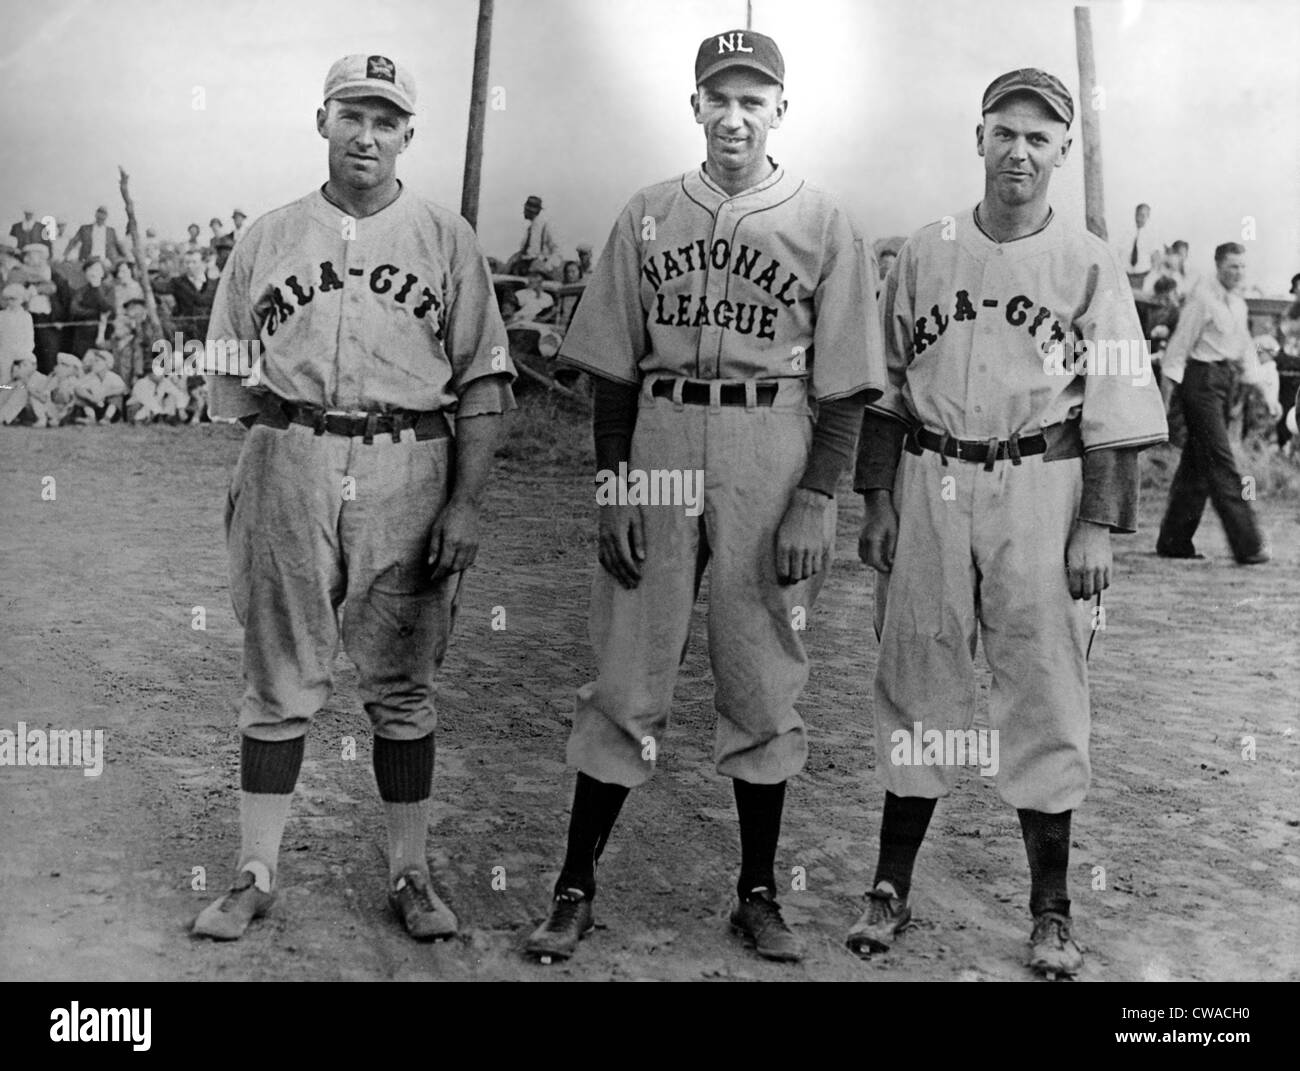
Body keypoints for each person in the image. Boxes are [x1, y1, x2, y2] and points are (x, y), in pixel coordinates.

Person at [524, 28, 885, 966]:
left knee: (763, 669)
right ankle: (574, 885)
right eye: (717, 97)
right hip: (662, 427)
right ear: (694, 107)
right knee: (627, 664)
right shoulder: (646, 212)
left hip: (774, 434)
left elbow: (845, 383)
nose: (734, 114)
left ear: (779, 111)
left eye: (752, 98)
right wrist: (612, 485)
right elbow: (610, 368)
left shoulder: (820, 219)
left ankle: (757, 893)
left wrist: (819, 496)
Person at [849, 69, 1167, 980]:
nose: (1018, 150)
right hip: (933, 471)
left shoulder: (1090, 259)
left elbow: (1116, 403)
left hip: (1042, 478)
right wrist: (877, 502)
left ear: (1063, 150)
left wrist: (1098, 526)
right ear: (978, 137)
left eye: (1039, 136)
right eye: (1004, 131)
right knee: (918, 667)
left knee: (1042, 682)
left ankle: (1053, 909)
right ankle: (889, 886)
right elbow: (886, 386)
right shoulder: (926, 250)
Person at [192, 53, 516, 944]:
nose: (365, 134)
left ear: (409, 132)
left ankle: (410, 871)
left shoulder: (445, 238)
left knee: (404, 684)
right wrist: (282, 441)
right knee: (277, 675)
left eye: (385, 119)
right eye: (351, 115)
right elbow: (225, 365)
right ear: (323, 121)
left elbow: (483, 384)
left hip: (410, 461)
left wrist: (466, 503)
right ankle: (256, 870)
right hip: (290, 453)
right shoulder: (268, 235)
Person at [1156, 244, 1277, 564]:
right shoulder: (1201, 300)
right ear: (1217, 266)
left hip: (1224, 383)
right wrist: (1165, 399)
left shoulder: (1238, 304)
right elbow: (1178, 350)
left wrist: (1263, 391)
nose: (1238, 272)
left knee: (1198, 463)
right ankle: (1248, 545)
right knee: (1222, 462)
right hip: (1199, 383)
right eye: (1232, 266)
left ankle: (1174, 540)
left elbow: (1245, 350)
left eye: (1242, 267)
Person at [18, 243, 71, 374]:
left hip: (50, 322)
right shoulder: (25, 277)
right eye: (26, 257)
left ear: (42, 258)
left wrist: (61, 320)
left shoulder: (57, 277)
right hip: (29, 321)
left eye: (30, 256)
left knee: (49, 358)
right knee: (30, 357)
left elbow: (66, 301)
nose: (27, 260)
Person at [66, 258, 113, 358]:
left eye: (96, 269)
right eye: (89, 269)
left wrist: (96, 288)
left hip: (105, 333)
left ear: (103, 272)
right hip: (84, 333)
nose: (92, 273)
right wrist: (95, 312)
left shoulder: (108, 289)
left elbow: (108, 308)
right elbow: (74, 310)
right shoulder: (81, 291)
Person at [505, 195, 561, 277]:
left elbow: (558, 251)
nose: (523, 211)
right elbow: (525, 251)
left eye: (526, 209)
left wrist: (546, 266)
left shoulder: (547, 226)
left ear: (531, 210)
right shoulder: (530, 228)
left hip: (538, 271)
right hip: (524, 267)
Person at [71, 348, 127, 423]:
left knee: (116, 397)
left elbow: (122, 389)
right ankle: (90, 417)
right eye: (93, 361)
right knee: (82, 396)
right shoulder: (91, 376)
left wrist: (105, 394)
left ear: (107, 364)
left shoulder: (112, 376)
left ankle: (107, 418)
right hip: (96, 405)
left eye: (97, 361)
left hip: (109, 408)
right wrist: (91, 398)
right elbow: (78, 388)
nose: (94, 363)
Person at [0, 353, 52, 426]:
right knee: (16, 390)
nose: (21, 368)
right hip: (29, 411)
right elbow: (6, 388)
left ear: (34, 366)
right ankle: (3, 418)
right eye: (20, 365)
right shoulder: (21, 379)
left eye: (25, 365)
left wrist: (27, 386)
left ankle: (42, 420)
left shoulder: (41, 378)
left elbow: (44, 399)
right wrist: (12, 381)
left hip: (47, 412)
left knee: (24, 391)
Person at [64, 206, 129, 264]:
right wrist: (65, 254)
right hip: (88, 260)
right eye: (99, 213)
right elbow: (73, 241)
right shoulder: (85, 229)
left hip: (105, 261)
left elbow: (118, 245)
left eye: (103, 214)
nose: (101, 216)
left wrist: (126, 256)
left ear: (106, 216)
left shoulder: (111, 231)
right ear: (96, 214)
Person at [0, 282, 35, 384]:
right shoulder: (2, 316)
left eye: (14, 299)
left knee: (21, 382)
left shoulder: (26, 316)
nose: (11, 302)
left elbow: (29, 337)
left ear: (22, 299)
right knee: (4, 381)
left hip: (22, 353)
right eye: (8, 299)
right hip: (4, 353)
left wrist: (24, 354)